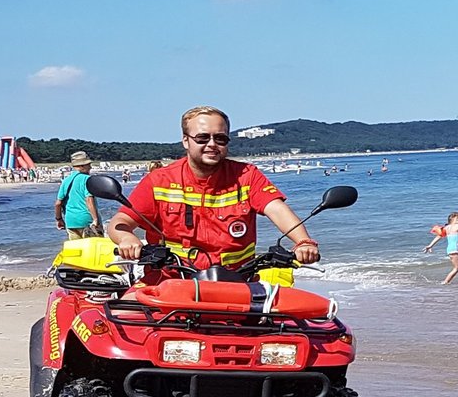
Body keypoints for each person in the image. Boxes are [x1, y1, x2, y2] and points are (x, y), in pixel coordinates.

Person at [107, 106, 321, 273]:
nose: (212, 144)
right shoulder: (159, 180)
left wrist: (303, 242)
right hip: (169, 281)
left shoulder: (247, 176)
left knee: (300, 324)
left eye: (220, 138)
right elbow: (120, 223)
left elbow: (277, 209)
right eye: (202, 138)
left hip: (238, 282)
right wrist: (127, 239)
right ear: (185, 141)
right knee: (123, 322)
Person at [54, 151, 102, 238]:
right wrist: (95, 220)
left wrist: (59, 219)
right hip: (87, 221)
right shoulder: (87, 179)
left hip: (71, 222)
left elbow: (58, 203)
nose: (90, 167)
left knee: (77, 249)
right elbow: (89, 200)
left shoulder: (66, 180)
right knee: (93, 249)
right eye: (88, 165)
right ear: (82, 166)